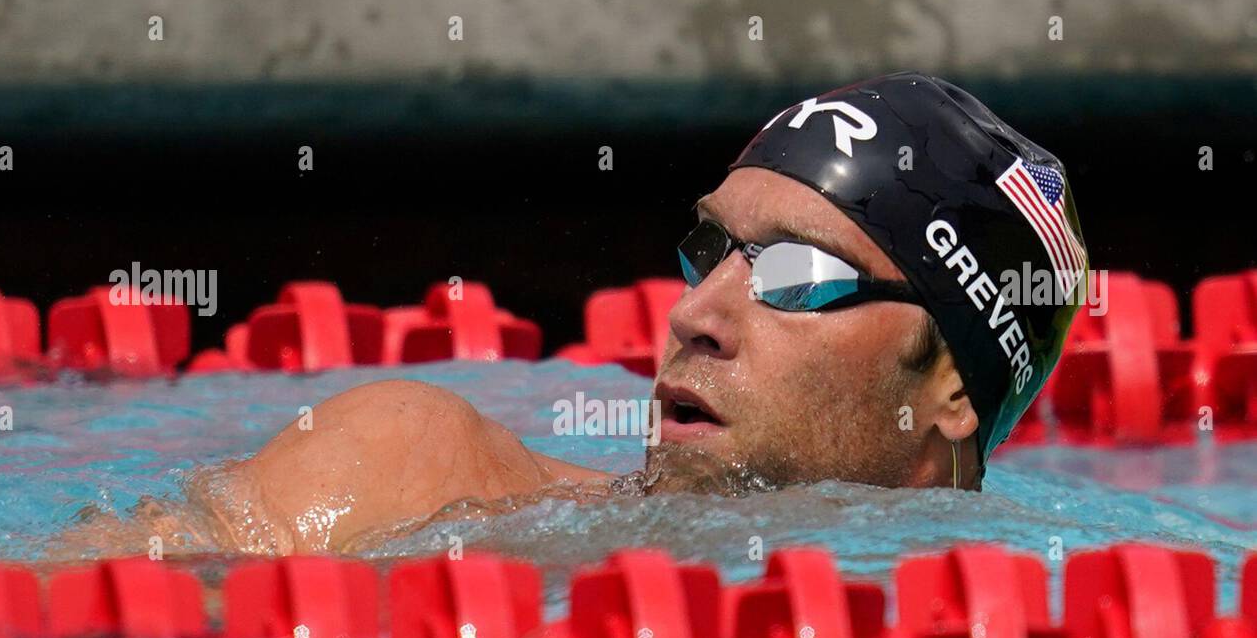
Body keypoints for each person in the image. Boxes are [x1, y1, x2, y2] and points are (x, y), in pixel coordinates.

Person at [101, 72, 1090, 556]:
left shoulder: (1057, 595)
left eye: (793, 270)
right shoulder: (411, 468)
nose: (695, 312)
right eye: (709, 252)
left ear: (953, 382)